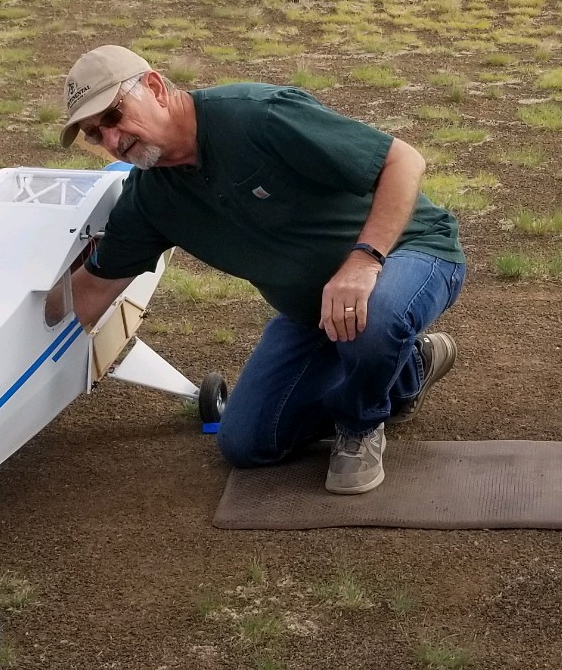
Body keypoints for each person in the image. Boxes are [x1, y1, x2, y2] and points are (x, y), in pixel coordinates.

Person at [47, 45, 465, 495]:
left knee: (377, 317)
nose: (111, 140)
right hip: (314, 312)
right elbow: (91, 293)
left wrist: (364, 260)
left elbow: (404, 161)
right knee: (246, 443)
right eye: (95, 135)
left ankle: (360, 425)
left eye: (112, 116)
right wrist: (9, 306)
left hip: (407, 250)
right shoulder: (148, 199)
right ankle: (409, 368)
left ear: (154, 87)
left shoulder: (258, 116)